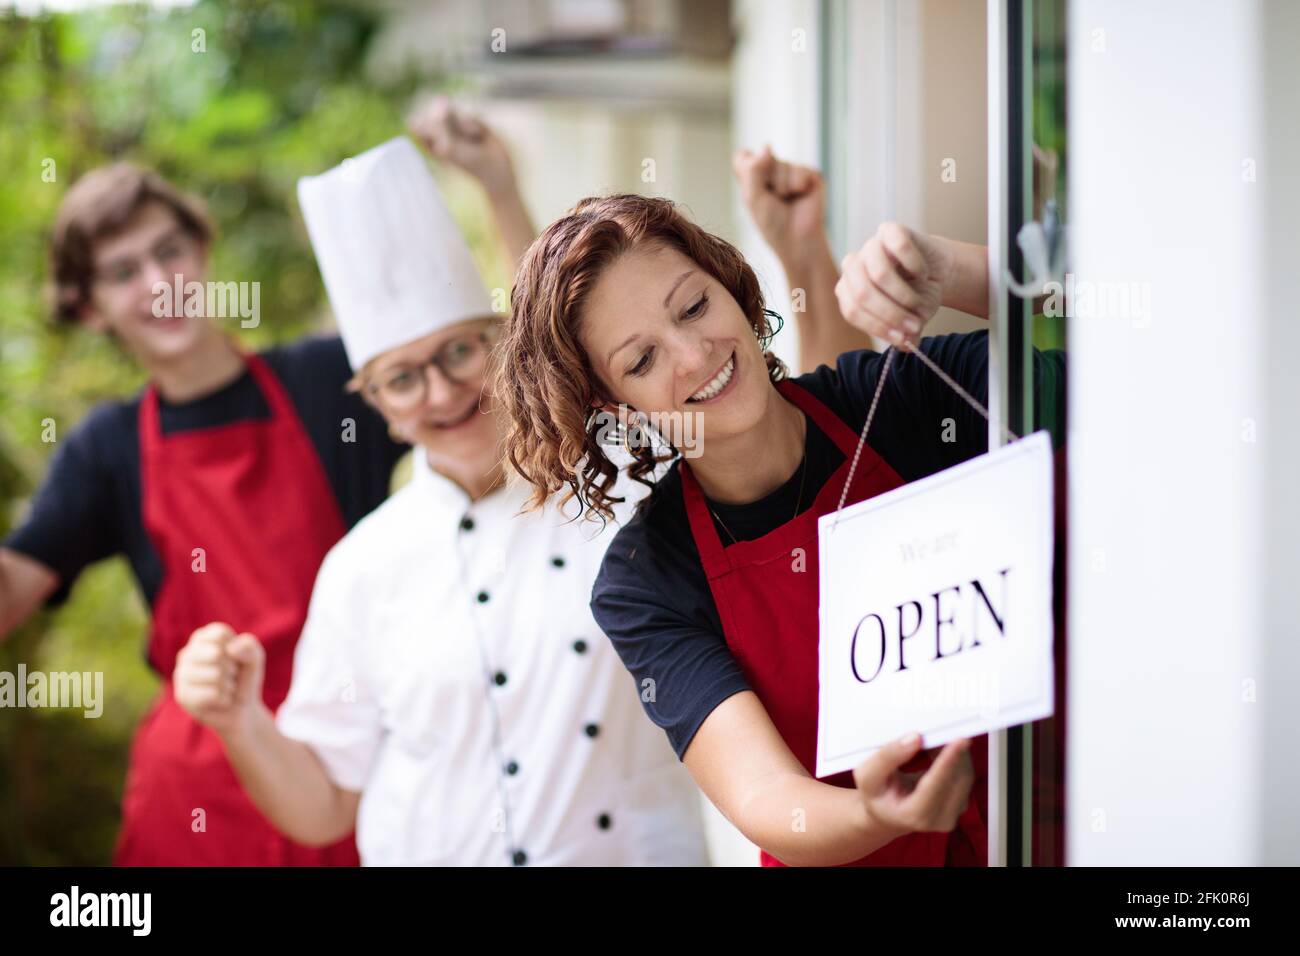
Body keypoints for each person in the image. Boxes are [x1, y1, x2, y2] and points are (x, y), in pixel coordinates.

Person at [0, 104, 533, 866]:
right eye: (123, 272)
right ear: (89, 308)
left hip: (347, 764)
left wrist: (498, 189)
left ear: (202, 250)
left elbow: (528, 363)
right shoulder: (106, 449)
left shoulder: (328, 381)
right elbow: (12, 588)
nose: (160, 284)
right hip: (197, 797)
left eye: (168, 251)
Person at [171, 136, 710, 866]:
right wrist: (238, 721)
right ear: (378, 406)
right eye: (401, 379)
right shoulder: (364, 566)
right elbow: (323, 805)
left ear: (504, 345)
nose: (442, 393)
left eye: (460, 351)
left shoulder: (628, 476)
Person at [493, 193, 1067, 866]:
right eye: (641, 361)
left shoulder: (909, 401)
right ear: (612, 404)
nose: (692, 353)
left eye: (694, 306)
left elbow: (1133, 361)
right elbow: (765, 795)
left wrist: (955, 270)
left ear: (729, 285)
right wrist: (875, 811)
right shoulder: (648, 578)